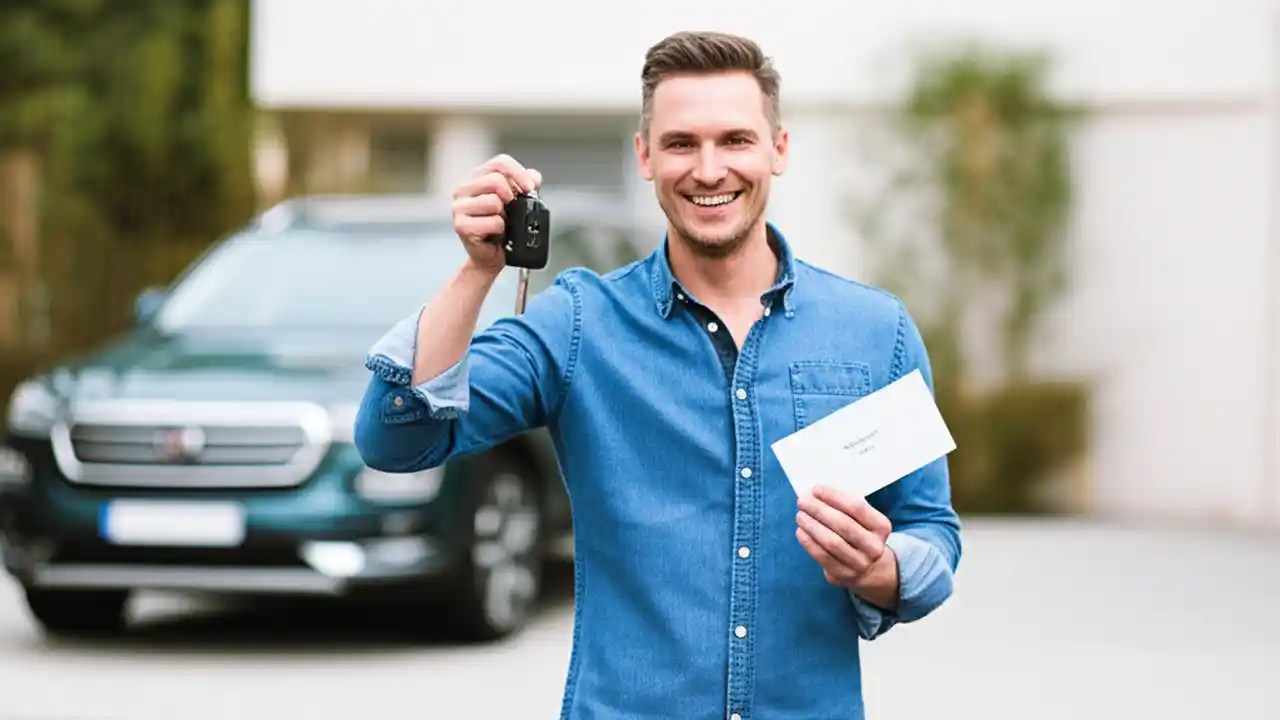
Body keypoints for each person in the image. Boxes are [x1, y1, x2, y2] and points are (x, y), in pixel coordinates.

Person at [355, 29, 961, 720]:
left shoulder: (874, 331)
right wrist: (477, 271)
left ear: (778, 149)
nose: (708, 170)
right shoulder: (580, 324)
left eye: (735, 140)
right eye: (681, 143)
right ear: (645, 155)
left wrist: (882, 572)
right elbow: (397, 439)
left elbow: (932, 532)